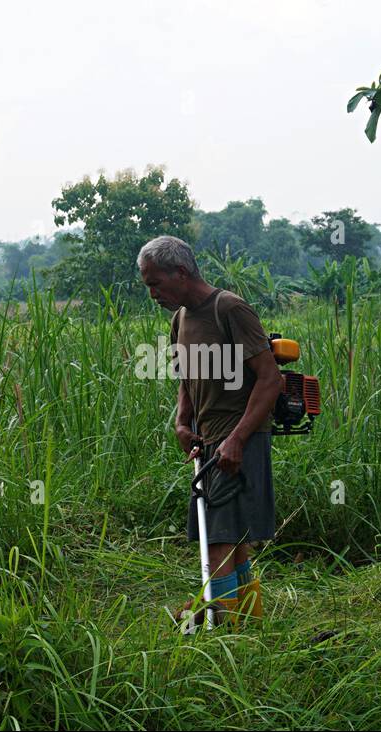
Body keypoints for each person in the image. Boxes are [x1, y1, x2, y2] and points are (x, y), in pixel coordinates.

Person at [136, 235, 283, 628]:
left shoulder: (229, 309)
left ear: (180, 272)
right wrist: (182, 422)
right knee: (232, 538)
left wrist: (236, 440)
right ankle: (247, 622)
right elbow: (185, 378)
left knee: (217, 539)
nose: (152, 293)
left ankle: (221, 634)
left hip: (239, 441)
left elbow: (270, 381)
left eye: (155, 283)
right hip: (209, 444)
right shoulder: (180, 319)